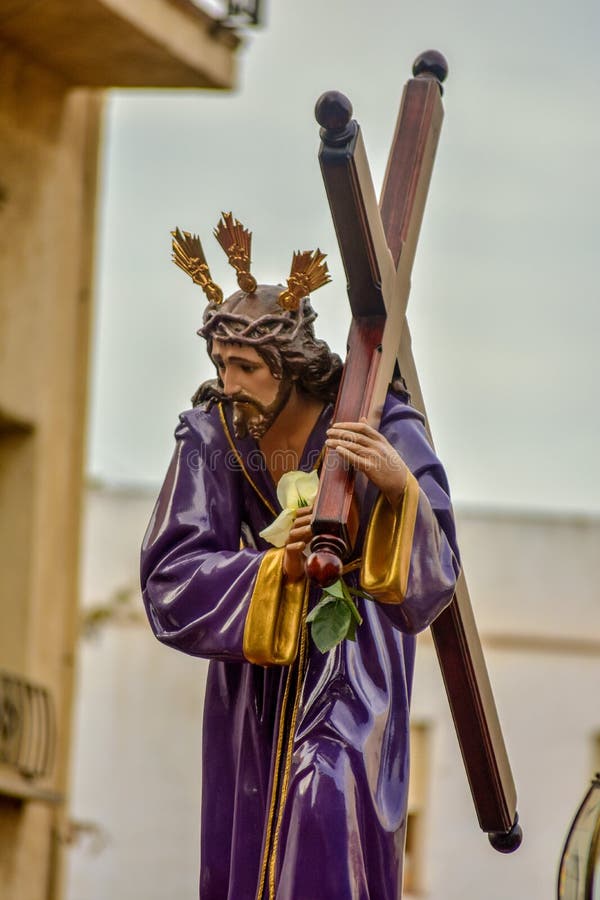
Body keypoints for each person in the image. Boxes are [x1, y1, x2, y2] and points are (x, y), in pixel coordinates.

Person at [141, 214, 460, 900]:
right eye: (222, 363)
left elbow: (437, 576)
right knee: (257, 839)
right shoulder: (211, 436)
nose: (229, 382)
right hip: (254, 688)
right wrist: (270, 568)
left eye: (247, 367)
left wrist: (398, 490)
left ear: (289, 367)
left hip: (354, 663)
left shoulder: (379, 423)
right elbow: (169, 579)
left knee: (326, 793)